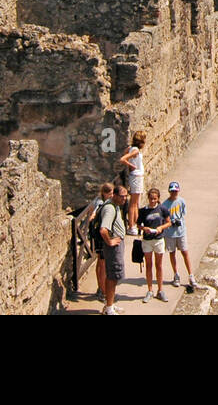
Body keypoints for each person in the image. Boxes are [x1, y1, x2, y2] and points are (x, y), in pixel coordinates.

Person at [97, 183, 129, 315]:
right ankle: (109, 308)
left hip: (116, 245)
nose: (125, 199)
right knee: (113, 276)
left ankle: (109, 304)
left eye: (126, 196)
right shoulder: (110, 209)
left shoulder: (114, 205)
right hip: (113, 248)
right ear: (114, 195)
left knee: (112, 275)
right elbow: (103, 230)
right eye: (122, 196)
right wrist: (110, 241)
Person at [161, 182, 196, 292]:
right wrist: (171, 222)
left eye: (175, 191)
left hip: (181, 232)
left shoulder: (181, 201)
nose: (174, 193)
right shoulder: (165, 205)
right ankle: (176, 274)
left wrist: (178, 221)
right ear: (169, 191)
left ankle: (191, 275)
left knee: (185, 253)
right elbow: (163, 219)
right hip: (170, 234)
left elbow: (182, 214)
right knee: (172, 253)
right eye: (172, 191)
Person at [137, 187, 171, 302]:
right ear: (148, 198)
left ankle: (160, 290)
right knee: (148, 265)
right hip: (147, 240)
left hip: (158, 240)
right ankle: (150, 290)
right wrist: (144, 228)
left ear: (158, 199)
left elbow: (169, 222)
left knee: (159, 265)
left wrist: (161, 227)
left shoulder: (162, 209)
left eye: (155, 199)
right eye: (151, 199)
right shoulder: (143, 211)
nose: (152, 201)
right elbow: (138, 225)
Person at [86, 182, 112, 299]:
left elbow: (90, 210)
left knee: (100, 263)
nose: (112, 196)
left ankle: (100, 288)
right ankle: (102, 291)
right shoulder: (102, 203)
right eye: (110, 194)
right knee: (103, 265)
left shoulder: (97, 200)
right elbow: (93, 213)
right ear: (104, 193)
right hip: (102, 236)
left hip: (98, 236)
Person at [118, 131, 146, 234]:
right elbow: (123, 159)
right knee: (133, 203)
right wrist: (131, 165)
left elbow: (125, 153)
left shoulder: (131, 148)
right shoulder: (136, 151)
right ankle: (131, 226)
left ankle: (135, 223)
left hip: (136, 176)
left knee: (135, 202)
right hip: (136, 176)